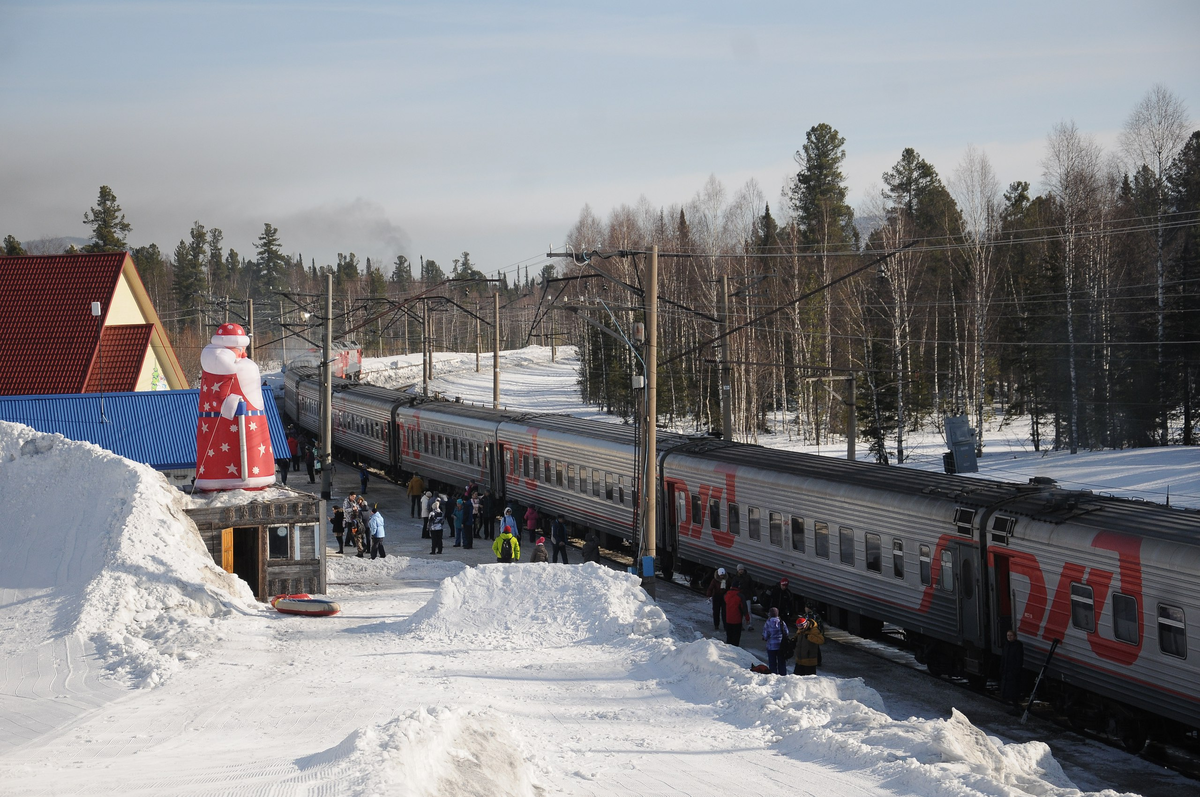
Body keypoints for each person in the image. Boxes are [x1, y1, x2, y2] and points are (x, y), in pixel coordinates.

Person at [999, 629, 1025, 711]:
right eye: (1008, 635)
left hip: (1013, 672)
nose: (1009, 637)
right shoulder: (1007, 645)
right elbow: (1003, 658)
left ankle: (1016, 707)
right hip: (1007, 670)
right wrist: (1002, 668)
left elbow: (1019, 660)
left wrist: (1015, 671)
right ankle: (1013, 706)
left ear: (1015, 637)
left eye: (1011, 635)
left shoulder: (1017, 646)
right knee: (1008, 689)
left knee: (1013, 690)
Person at [761, 608, 789, 676]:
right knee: (781, 662)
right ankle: (783, 675)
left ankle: (773, 675)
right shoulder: (782, 622)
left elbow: (765, 635)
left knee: (772, 662)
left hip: (771, 646)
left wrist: (765, 638)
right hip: (780, 646)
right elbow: (786, 633)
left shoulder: (768, 623)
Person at [734, 564, 754, 631]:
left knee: (748, 611)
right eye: (740, 570)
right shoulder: (736, 578)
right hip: (739, 597)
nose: (741, 571)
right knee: (740, 612)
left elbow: (751, 586)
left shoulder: (748, 577)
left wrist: (754, 594)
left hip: (746, 596)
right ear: (738, 570)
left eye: (742, 569)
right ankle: (740, 624)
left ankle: (749, 625)